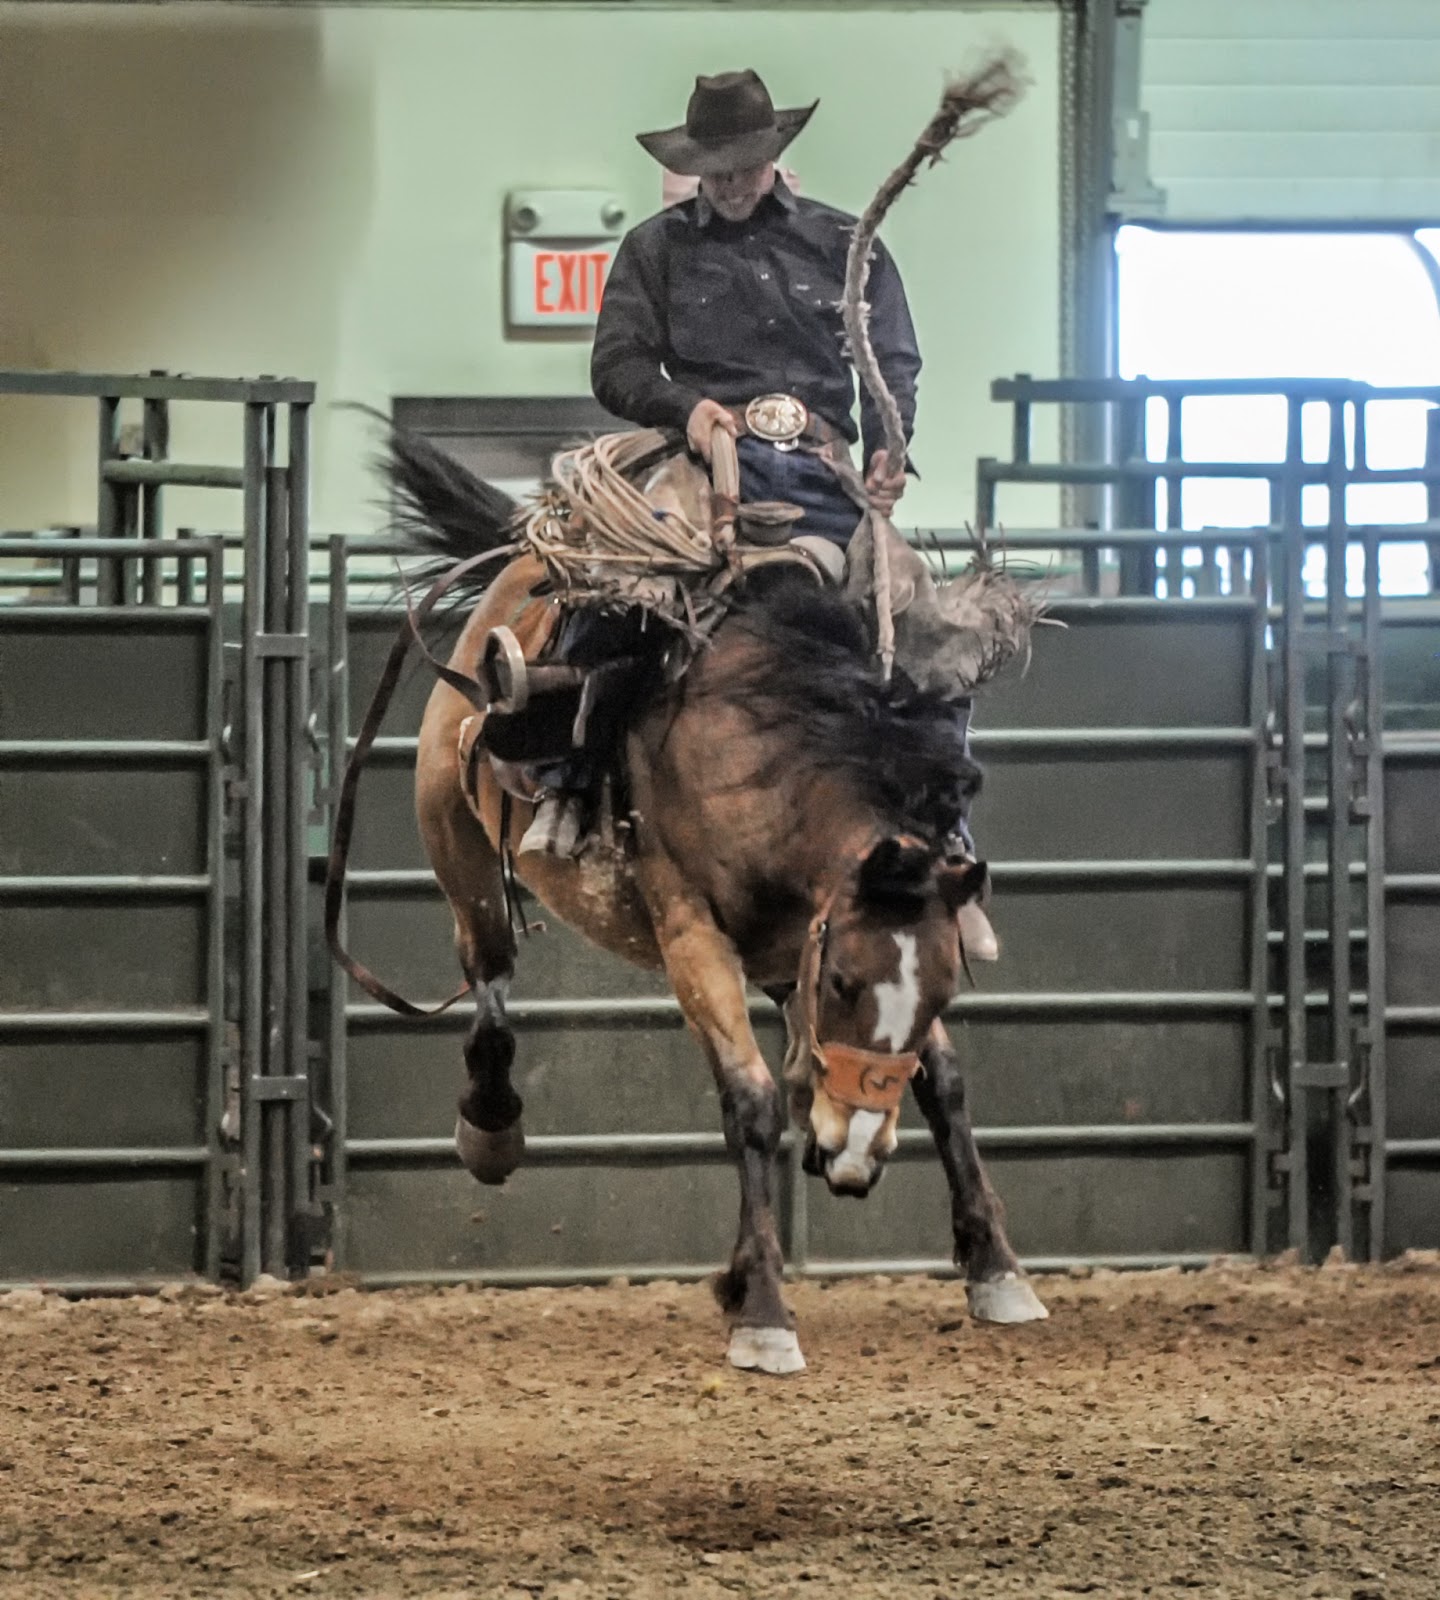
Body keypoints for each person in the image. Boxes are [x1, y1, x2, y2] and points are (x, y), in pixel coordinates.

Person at [522, 68, 997, 961]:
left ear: (773, 156)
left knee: (921, 614)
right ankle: (568, 784)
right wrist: (687, 409)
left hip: (822, 468)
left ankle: (948, 829)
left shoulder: (842, 244)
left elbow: (892, 361)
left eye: (748, 163)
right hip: (699, 462)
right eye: (720, 167)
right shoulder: (653, 250)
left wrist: (892, 448)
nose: (735, 180)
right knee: (616, 589)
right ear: (696, 165)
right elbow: (616, 364)